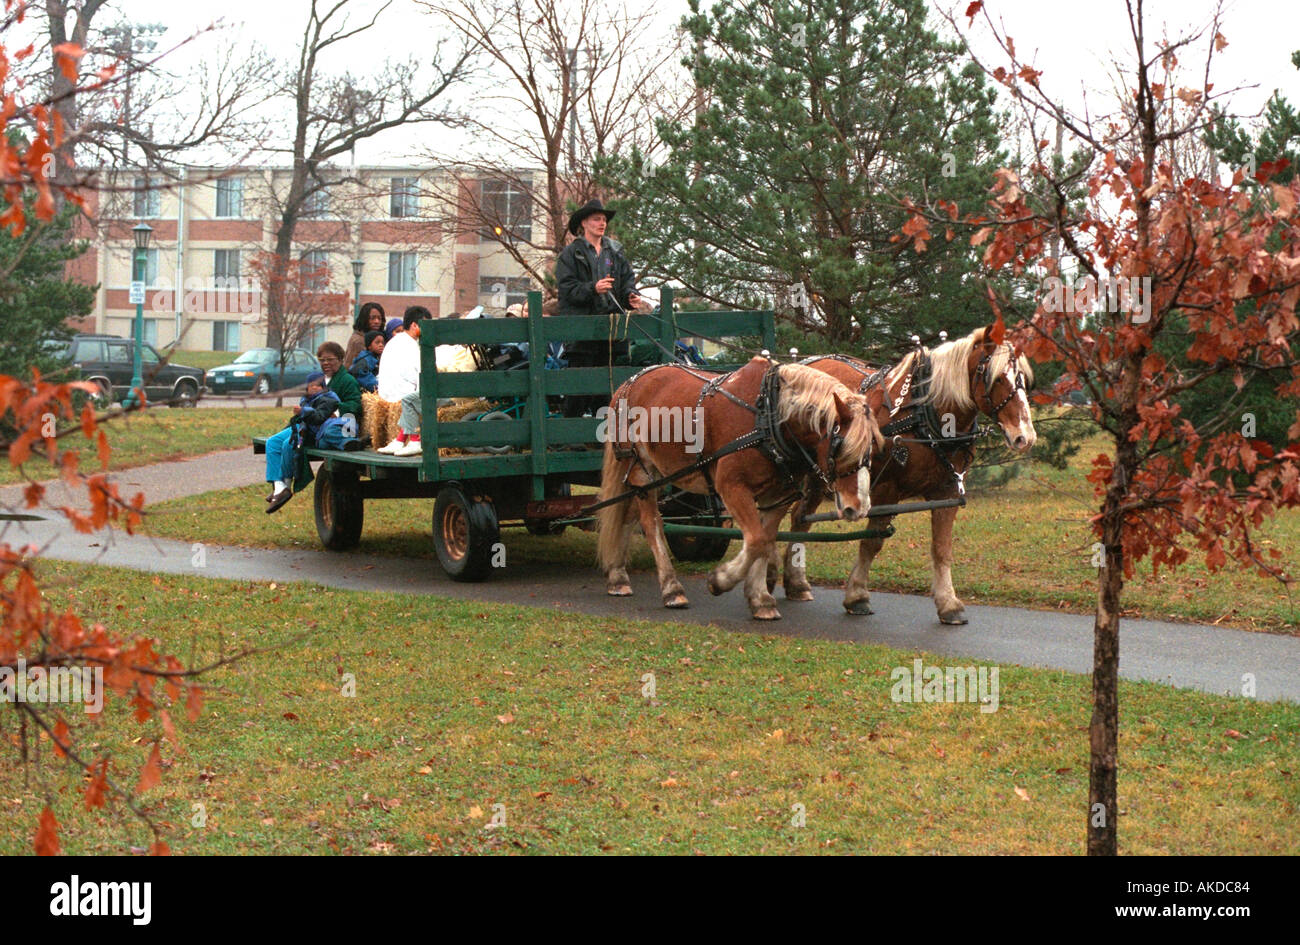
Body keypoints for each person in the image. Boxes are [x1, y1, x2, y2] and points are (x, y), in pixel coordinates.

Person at [555, 198, 640, 415]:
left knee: (607, 388)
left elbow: (627, 280)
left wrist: (631, 295)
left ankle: (602, 439)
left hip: (609, 331)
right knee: (580, 386)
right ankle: (568, 439)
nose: (602, 223)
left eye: (604, 220)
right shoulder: (570, 254)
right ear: (584, 223)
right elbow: (567, 290)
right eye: (596, 219)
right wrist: (593, 288)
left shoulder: (615, 252)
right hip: (581, 333)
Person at [264, 372, 341, 514]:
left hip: (316, 432)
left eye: (318, 385)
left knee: (288, 444)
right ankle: (278, 486)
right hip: (302, 426)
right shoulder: (305, 399)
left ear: (323, 386)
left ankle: (286, 485)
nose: (314, 388)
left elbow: (319, 418)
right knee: (272, 442)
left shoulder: (329, 399)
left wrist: (303, 412)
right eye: (311, 385)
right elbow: (299, 420)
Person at [375, 306, 430, 454]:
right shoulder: (410, 345)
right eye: (425, 325)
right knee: (418, 395)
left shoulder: (395, 341)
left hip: (386, 392)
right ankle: (414, 440)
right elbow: (418, 375)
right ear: (414, 325)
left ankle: (399, 440)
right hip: (400, 394)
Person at [344, 302, 385, 368]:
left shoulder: (381, 339)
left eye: (379, 318)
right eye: (372, 318)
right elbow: (349, 367)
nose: (377, 321)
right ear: (364, 319)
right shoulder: (358, 341)